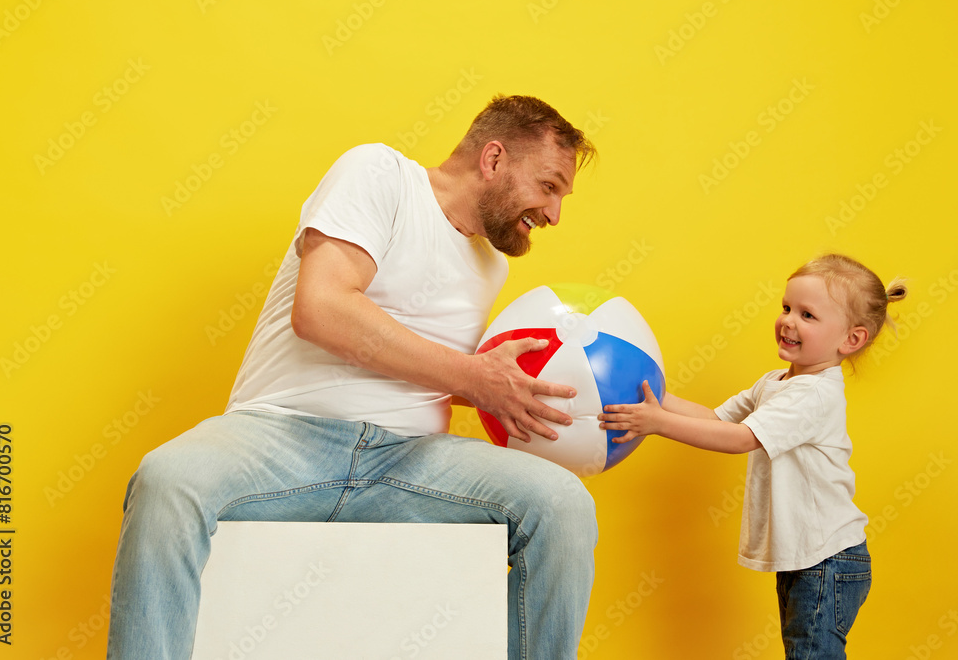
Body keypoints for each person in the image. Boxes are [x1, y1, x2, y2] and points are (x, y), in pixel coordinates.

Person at [107, 94, 599, 659]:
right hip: (282, 436)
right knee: (167, 480)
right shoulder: (379, 175)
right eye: (549, 186)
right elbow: (322, 309)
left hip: (410, 461)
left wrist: (515, 394)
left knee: (563, 504)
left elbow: (428, 369)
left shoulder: (492, 265)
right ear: (493, 159)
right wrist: (473, 374)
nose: (555, 214)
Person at [599, 253, 906, 658]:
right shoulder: (776, 382)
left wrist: (657, 422)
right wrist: (659, 395)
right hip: (806, 555)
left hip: (829, 559)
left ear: (851, 339)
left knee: (811, 652)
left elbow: (742, 438)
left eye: (808, 315)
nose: (788, 321)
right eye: (786, 308)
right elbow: (715, 418)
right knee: (803, 649)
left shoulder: (814, 395)